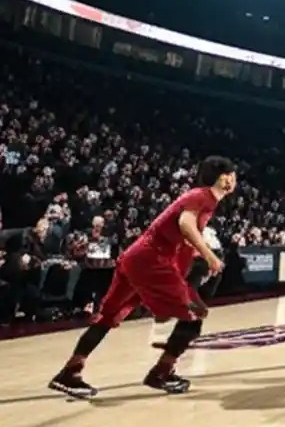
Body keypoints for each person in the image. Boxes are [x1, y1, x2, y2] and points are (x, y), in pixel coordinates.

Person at [47, 156, 236, 398]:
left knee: (108, 317)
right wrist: (209, 256)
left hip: (135, 258)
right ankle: (161, 372)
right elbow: (186, 224)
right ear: (225, 178)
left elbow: (183, 238)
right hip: (151, 260)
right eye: (232, 175)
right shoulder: (204, 197)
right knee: (194, 315)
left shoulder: (198, 198)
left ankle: (70, 372)